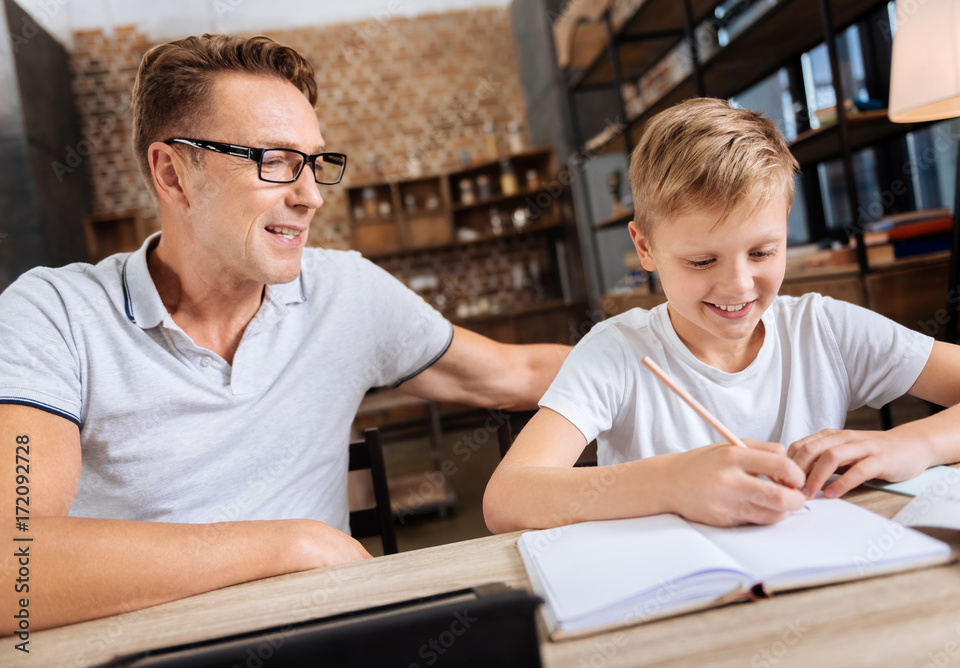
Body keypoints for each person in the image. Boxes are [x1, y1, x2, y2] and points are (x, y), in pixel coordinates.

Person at [0, 34, 568, 634]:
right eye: (274, 161)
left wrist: (666, 343)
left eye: (315, 162)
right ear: (173, 174)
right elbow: (14, 566)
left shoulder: (346, 292)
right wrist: (290, 548)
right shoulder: (53, 314)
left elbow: (518, 374)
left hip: (327, 640)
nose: (312, 196)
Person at [483, 97, 960, 534]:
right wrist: (673, 482)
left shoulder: (825, 330)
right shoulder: (617, 352)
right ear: (645, 247)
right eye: (702, 260)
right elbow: (508, 498)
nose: (737, 285)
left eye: (762, 253)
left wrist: (914, 442)